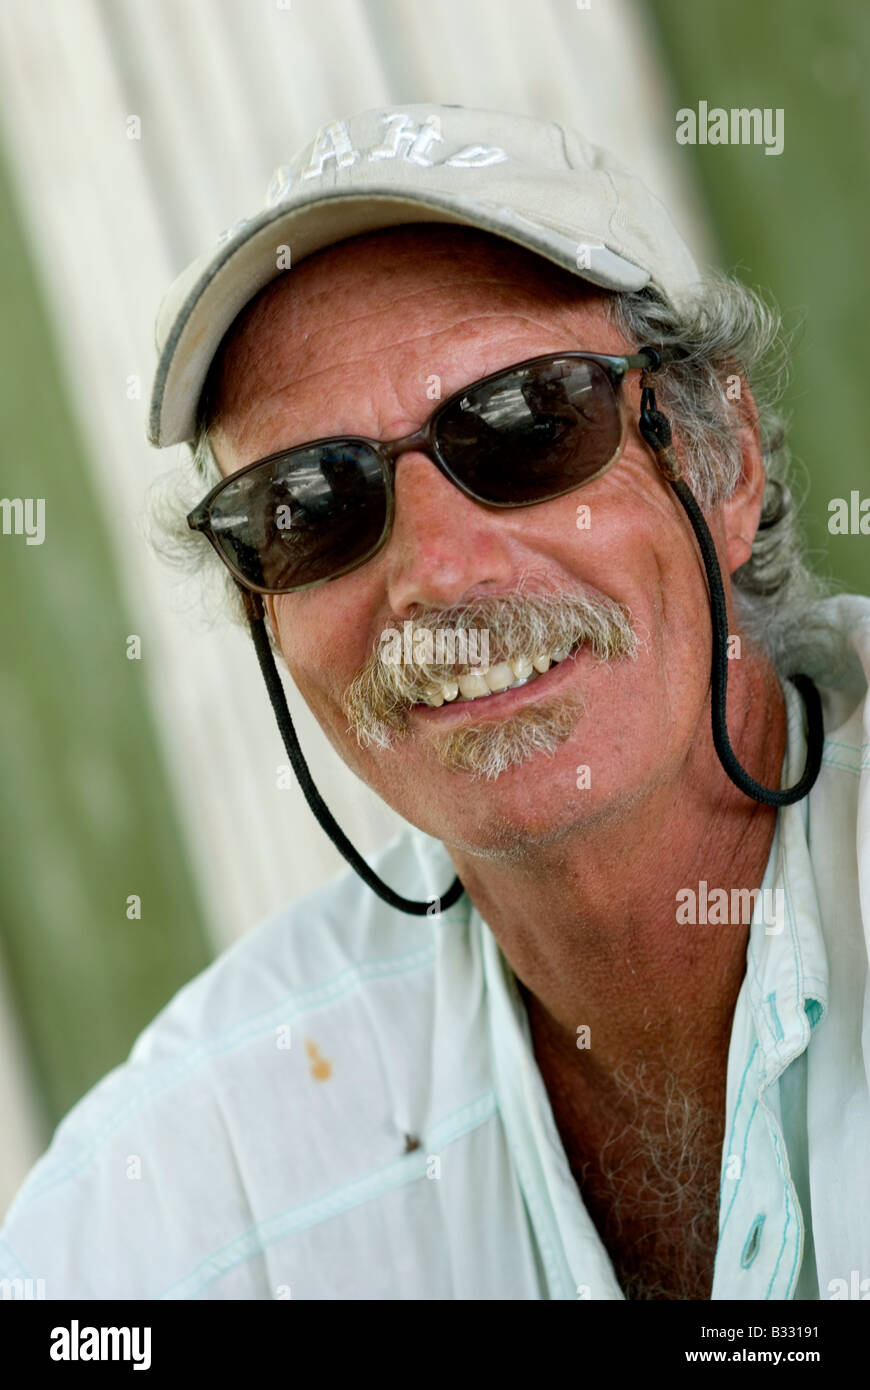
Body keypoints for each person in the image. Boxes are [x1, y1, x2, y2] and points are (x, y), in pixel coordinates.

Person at [2, 104, 868, 1302]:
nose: (439, 572)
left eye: (526, 425)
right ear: (264, 606)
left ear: (724, 463)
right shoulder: (203, 1162)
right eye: (314, 503)